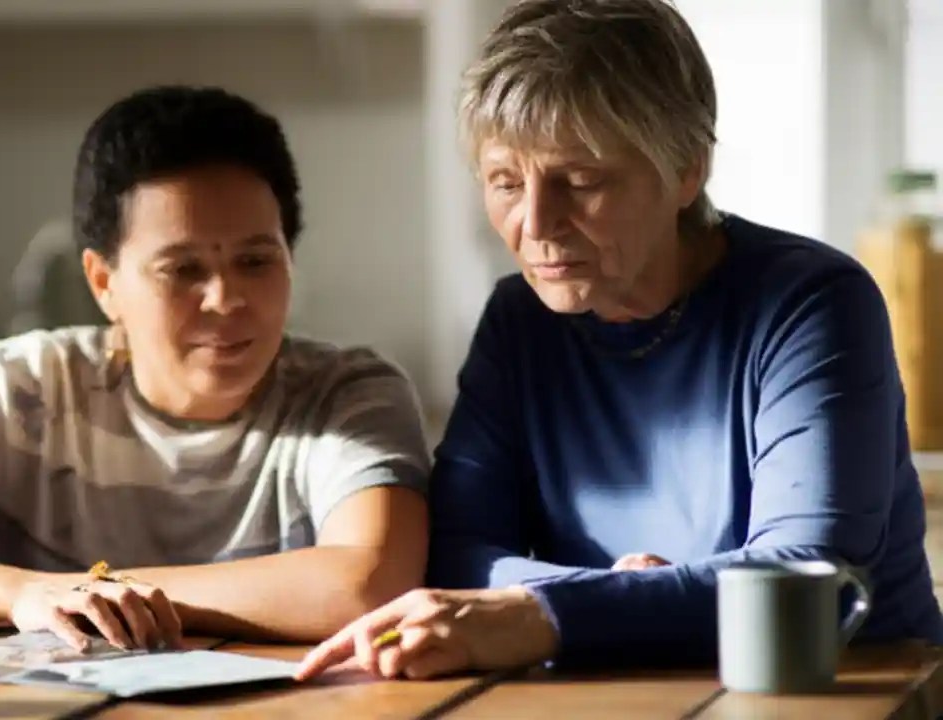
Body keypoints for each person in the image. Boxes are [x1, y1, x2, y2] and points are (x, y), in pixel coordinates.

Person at [296, 0, 943, 682]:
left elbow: (808, 576)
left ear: (687, 170)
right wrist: (614, 598)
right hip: (628, 689)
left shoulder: (811, 303)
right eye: (505, 182)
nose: (537, 223)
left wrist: (559, 611)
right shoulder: (519, 320)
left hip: (850, 691)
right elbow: (459, 554)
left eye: (580, 180)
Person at [0, 85, 430, 651]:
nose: (226, 299)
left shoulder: (350, 393)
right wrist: (22, 592)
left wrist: (109, 593)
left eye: (255, 261)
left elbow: (368, 583)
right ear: (103, 282)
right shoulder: (21, 389)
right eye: (184, 269)